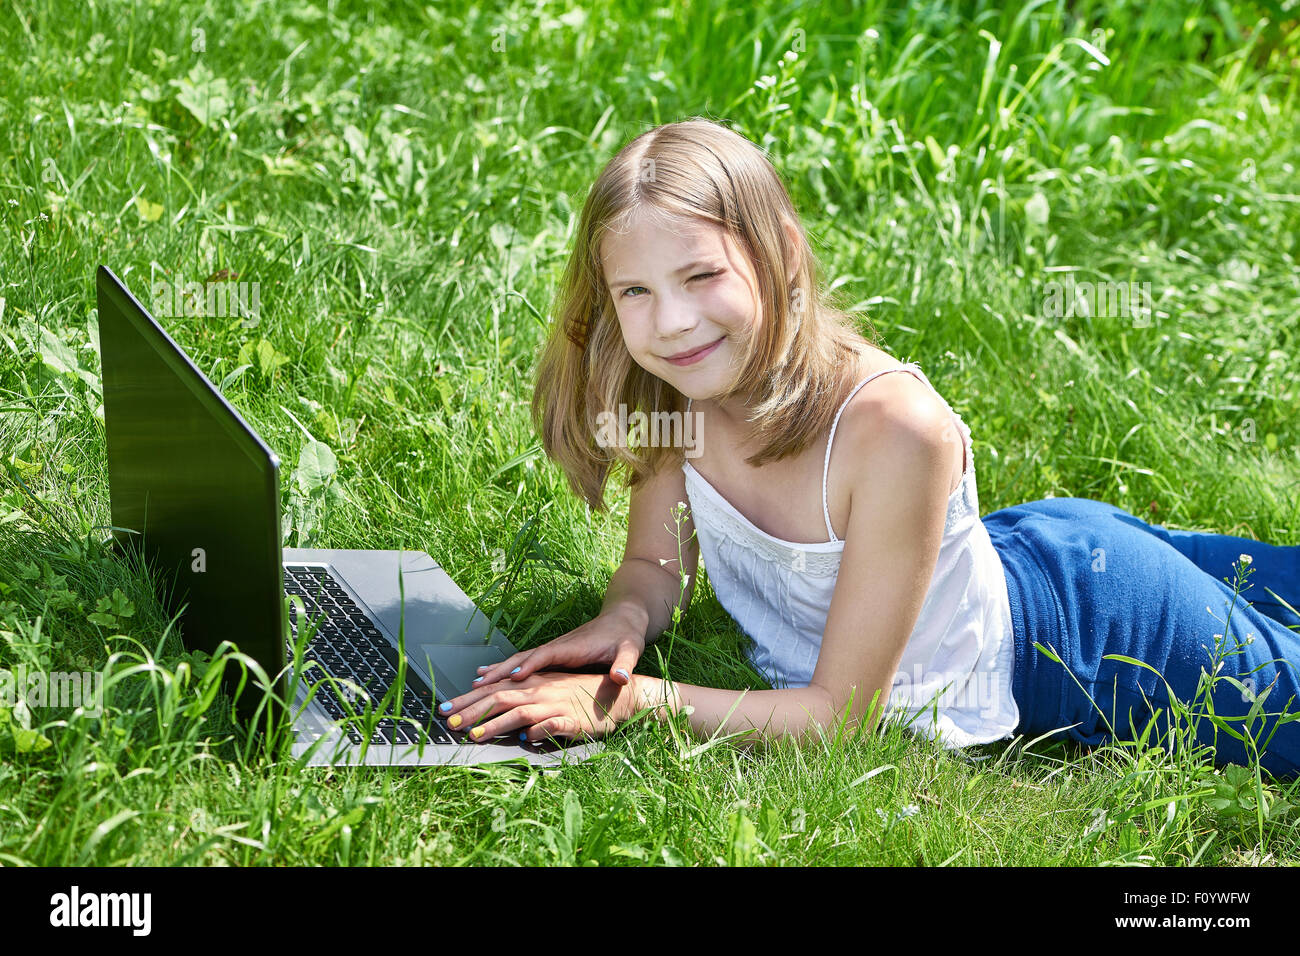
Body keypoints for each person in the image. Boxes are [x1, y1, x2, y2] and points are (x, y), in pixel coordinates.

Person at [436, 118, 1300, 777]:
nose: (672, 321)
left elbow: (840, 720)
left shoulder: (893, 429)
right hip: (1012, 551)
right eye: (636, 290)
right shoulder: (678, 392)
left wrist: (633, 701)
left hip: (1095, 628)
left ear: (781, 254)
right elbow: (658, 565)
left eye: (702, 275)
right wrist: (623, 619)